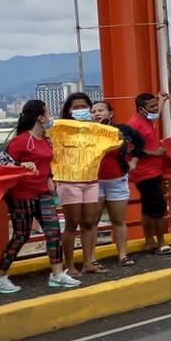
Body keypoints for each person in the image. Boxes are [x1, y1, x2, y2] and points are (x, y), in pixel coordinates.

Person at [0, 100, 78, 293]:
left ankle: (57, 274)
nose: (51, 117)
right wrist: (21, 166)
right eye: (48, 113)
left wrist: (50, 177)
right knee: (21, 235)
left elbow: (47, 162)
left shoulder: (47, 139)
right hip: (21, 194)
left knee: (53, 232)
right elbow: (3, 166)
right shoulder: (20, 141)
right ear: (40, 117)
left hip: (42, 192)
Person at [53, 92, 120, 276]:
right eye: (76, 107)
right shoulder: (60, 128)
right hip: (69, 180)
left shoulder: (95, 129)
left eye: (84, 107)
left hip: (91, 179)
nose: (81, 110)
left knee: (89, 222)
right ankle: (70, 265)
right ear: (69, 110)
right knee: (72, 223)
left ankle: (89, 261)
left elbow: (117, 139)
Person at [90, 100, 137, 266]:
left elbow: (140, 141)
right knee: (92, 221)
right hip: (94, 180)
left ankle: (123, 255)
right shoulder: (87, 132)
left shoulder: (122, 130)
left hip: (117, 179)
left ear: (110, 113)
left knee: (118, 220)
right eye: (93, 111)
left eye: (100, 110)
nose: (96, 114)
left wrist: (134, 161)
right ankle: (91, 258)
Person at [127, 92, 171, 255]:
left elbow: (155, 113)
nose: (155, 109)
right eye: (151, 107)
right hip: (145, 172)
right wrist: (154, 152)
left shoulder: (146, 119)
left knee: (147, 207)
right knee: (158, 208)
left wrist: (161, 101)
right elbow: (129, 147)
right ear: (141, 109)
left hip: (151, 170)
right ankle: (161, 241)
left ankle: (149, 242)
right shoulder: (135, 124)